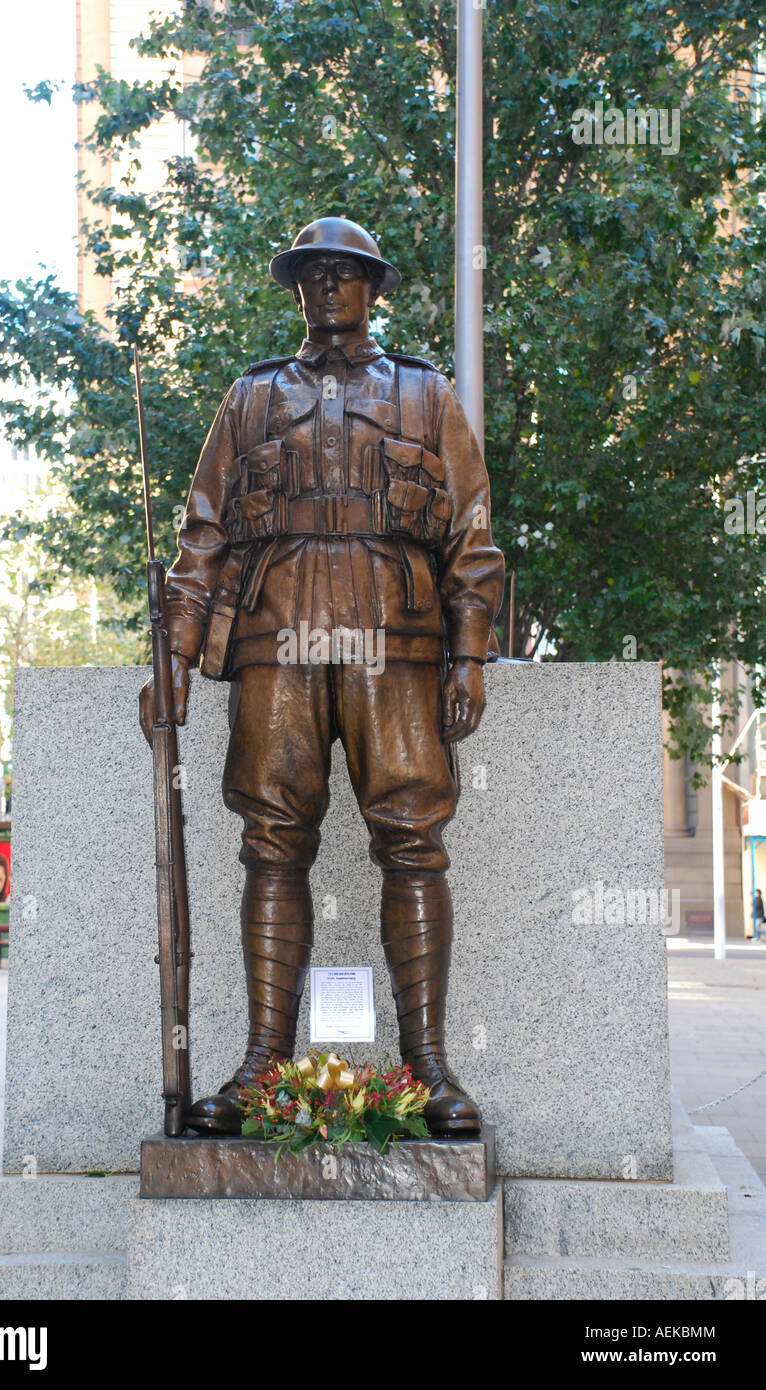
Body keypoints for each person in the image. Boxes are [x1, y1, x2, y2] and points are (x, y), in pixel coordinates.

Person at [139, 216, 505, 1135]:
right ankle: (263, 1061)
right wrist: (174, 659)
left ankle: (430, 1067)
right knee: (271, 841)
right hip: (276, 637)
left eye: (347, 274)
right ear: (295, 288)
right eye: (313, 273)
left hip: (398, 641)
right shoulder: (250, 398)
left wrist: (470, 653)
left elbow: (471, 534)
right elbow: (203, 538)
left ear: (373, 287)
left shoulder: (427, 395)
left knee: (414, 839)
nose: (330, 287)